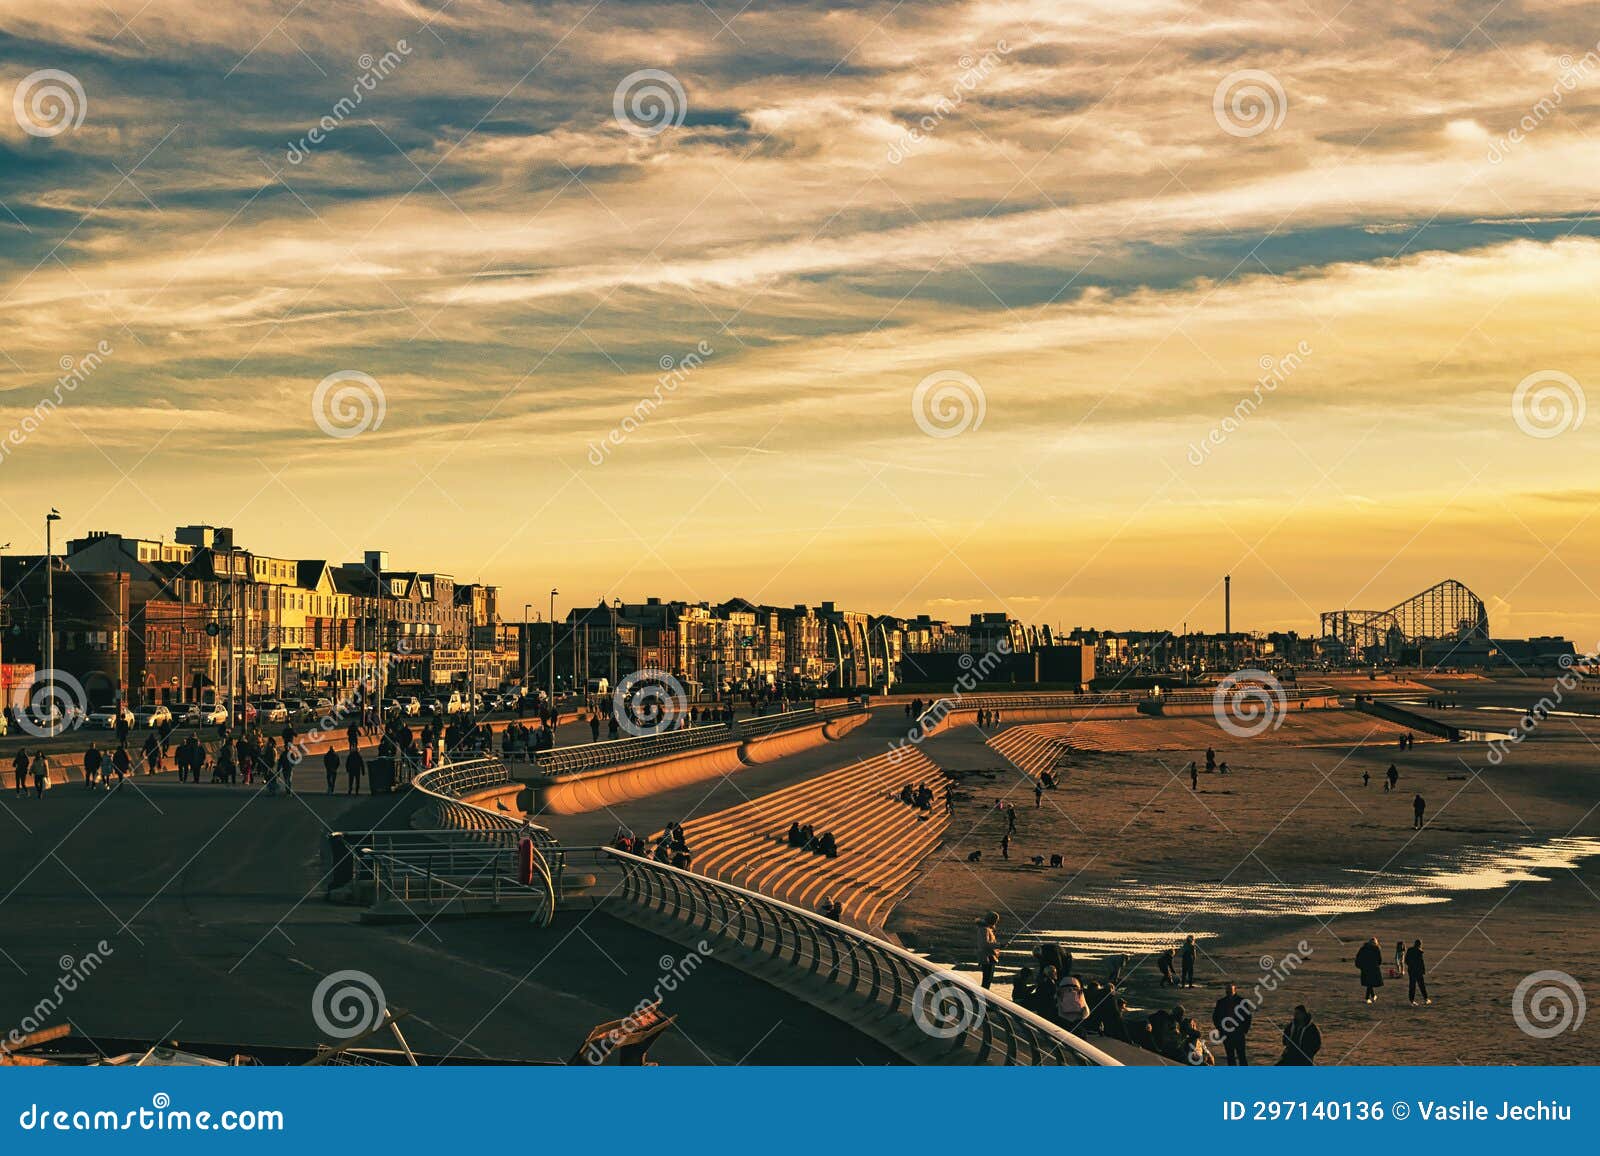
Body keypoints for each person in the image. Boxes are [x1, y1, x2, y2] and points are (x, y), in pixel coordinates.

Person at [1211, 982, 1251, 1065]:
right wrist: (1220, 1029)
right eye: (1227, 991)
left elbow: (1248, 1017)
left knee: (1242, 1056)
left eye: (1230, 991)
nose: (1228, 993)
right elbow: (1215, 1017)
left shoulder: (1242, 1001)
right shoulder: (1221, 1002)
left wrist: (1244, 1030)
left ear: (1235, 991)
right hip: (1226, 1033)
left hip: (1238, 1032)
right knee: (1230, 1057)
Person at [1355, 936, 1385, 1003]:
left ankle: (1373, 996)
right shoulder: (1376, 949)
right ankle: (1367, 998)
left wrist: (1360, 965)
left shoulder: (1363, 949)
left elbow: (1358, 957)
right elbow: (1379, 960)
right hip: (1373, 968)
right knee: (1370, 983)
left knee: (1369, 983)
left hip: (1365, 968)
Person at [976, 911, 1000, 989]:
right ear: (992, 920)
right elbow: (985, 944)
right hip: (988, 958)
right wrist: (999, 945)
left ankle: (983, 997)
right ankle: (983, 998)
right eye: (995, 920)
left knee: (987, 980)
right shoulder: (984, 929)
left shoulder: (985, 928)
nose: (996, 922)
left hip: (987, 957)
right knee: (987, 981)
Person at [1405, 939, 1430, 1005]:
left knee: (1412, 985)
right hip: (1418, 971)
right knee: (1421, 985)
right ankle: (1426, 999)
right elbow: (1421, 962)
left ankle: (1411, 1000)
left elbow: (1406, 961)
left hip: (1411, 970)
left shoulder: (1409, 950)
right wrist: (1423, 971)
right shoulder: (1419, 951)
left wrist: (1410, 966)